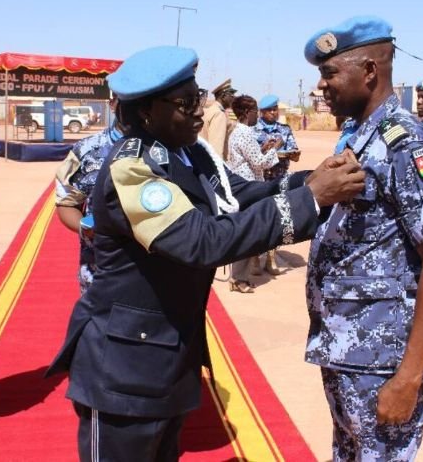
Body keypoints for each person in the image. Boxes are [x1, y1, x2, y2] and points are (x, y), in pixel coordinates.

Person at [46, 45, 365, 462]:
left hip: (167, 356)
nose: (201, 110)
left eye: (199, 97)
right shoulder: (134, 168)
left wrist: (310, 182)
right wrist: (310, 201)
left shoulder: (188, 151)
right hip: (125, 369)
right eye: (186, 102)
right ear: (146, 113)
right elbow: (202, 242)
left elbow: (241, 195)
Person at [303, 15, 423, 461]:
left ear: (369, 70)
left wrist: (409, 377)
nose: (322, 86)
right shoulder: (362, 137)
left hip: (382, 357)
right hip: (347, 346)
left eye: (330, 72)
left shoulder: (407, 144)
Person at [54, 95, 124, 296]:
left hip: (150, 276)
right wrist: (87, 228)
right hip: (99, 273)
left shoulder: (163, 151)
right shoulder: (86, 150)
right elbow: (66, 202)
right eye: (125, 101)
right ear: (112, 104)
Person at [226, 94, 283, 293]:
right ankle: (238, 278)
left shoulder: (239, 132)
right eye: (256, 111)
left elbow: (251, 157)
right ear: (247, 113)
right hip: (248, 188)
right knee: (247, 233)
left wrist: (262, 148)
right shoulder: (245, 133)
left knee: (246, 231)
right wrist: (275, 149)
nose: (257, 115)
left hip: (244, 187)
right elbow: (259, 163)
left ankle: (240, 276)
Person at [254, 94, 301, 275]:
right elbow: (252, 155)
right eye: (269, 110)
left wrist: (293, 153)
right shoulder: (253, 130)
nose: (273, 113)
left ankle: (271, 258)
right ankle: (255, 259)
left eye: (275, 109)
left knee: (277, 217)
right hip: (259, 180)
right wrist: (268, 149)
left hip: (280, 179)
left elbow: (292, 149)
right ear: (262, 112)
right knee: (258, 218)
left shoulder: (285, 129)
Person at [199, 78, 236, 159]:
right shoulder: (219, 114)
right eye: (231, 94)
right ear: (223, 96)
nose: (234, 97)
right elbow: (216, 148)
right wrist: (218, 169)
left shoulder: (210, 111)